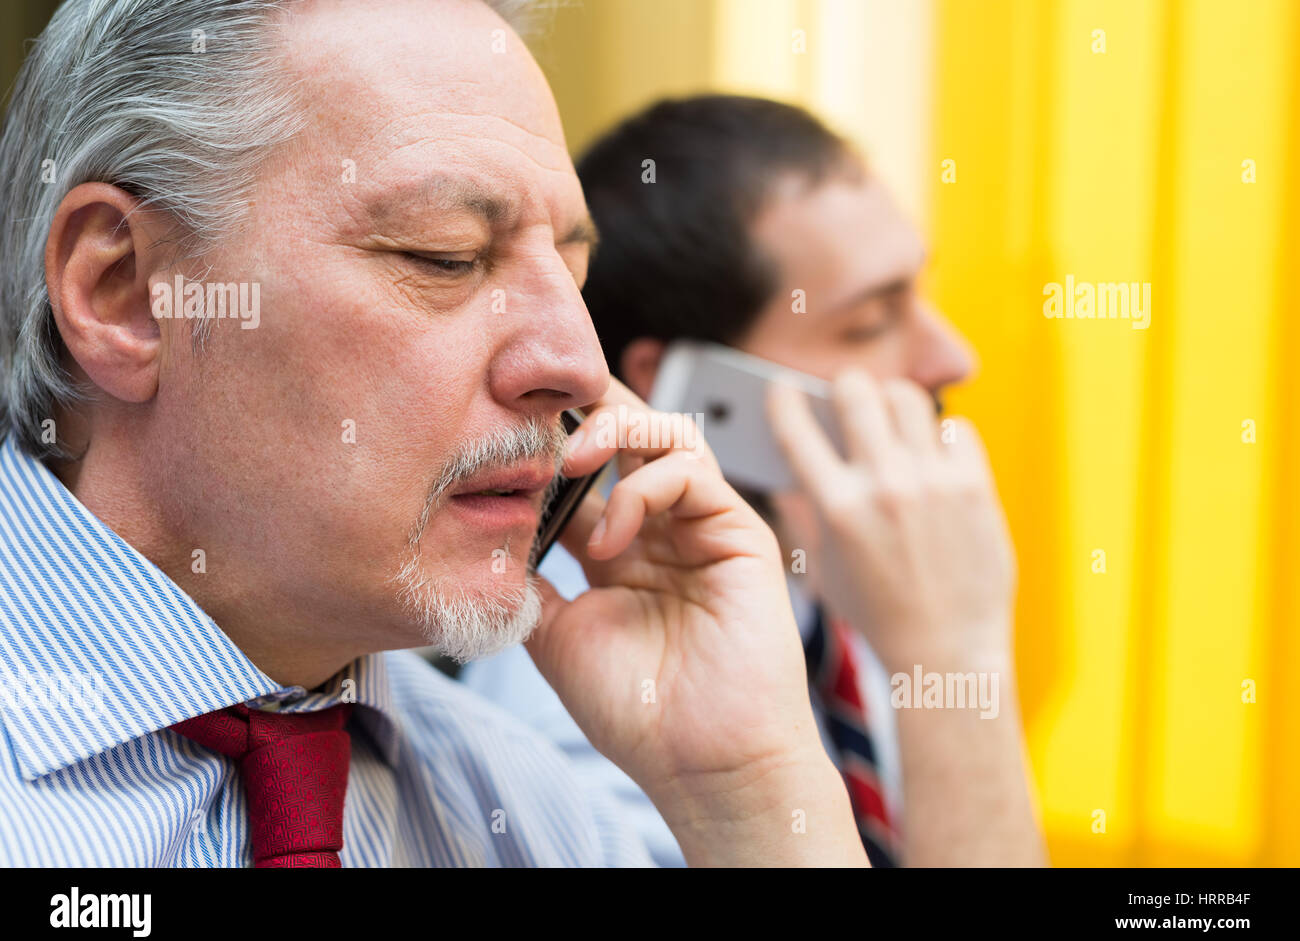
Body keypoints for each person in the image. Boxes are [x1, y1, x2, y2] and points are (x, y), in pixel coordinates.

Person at [0, 0, 872, 867]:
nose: (576, 362)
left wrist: (752, 792)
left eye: (572, 274)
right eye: (444, 256)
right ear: (124, 292)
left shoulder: (534, 814)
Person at [461, 95, 1046, 867]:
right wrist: (953, 655)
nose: (953, 359)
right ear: (687, 388)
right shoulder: (587, 720)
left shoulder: (840, 590)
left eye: (920, 295)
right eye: (871, 322)